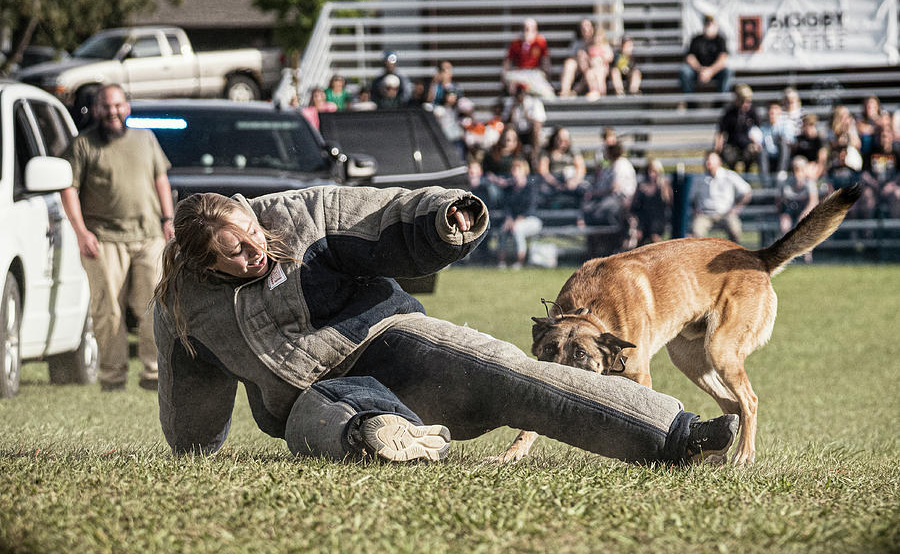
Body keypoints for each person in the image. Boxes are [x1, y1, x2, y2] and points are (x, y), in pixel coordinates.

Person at [152, 184, 739, 464]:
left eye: (251, 234)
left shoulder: (300, 216)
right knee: (323, 421)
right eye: (235, 253)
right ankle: (384, 436)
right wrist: (193, 451)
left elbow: (379, 214)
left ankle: (676, 434)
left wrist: (439, 218)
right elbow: (187, 393)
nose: (255, 250)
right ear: (204, 263)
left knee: (510, 373)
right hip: (307, 396)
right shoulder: (186, 306)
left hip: (391, 339)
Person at [60, 83, 175, 392]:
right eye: (106, 106)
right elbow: (68, 189)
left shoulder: (145, 138)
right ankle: (112, 378)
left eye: (117, 105)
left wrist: (168, 220)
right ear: (96, 109)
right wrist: (81, 232)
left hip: (149, 236)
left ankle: (154, 374)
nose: (112, 111)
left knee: (154, 306)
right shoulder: (83, 145)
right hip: (103, 239)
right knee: (107, 310)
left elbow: (161, 179)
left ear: (127, 107)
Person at [690, 150, 752, 242]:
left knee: (735, 230)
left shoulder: (730, 176)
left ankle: (734, 251)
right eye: (706, 160)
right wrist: (694, 209)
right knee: (695, 234)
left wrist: (737, 208)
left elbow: (747, 192)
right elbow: (690, 198)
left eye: (711, 160)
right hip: (705, 214)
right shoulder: (699, 179)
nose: (708, 163)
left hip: (725, 213)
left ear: (719, 162)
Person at [496, 158, 543, 269]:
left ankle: (519, 262)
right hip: (514, 220)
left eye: (518, 170)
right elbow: (506, 207)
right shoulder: (509, 189)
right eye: (514, 170)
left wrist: (516, 221)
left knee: (517, 229)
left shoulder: (531, 187)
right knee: (503, 230)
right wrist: (508, 219)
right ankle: (501, 262)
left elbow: (530, 209)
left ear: (524, 171)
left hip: (531, 220)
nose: (515, 173)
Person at [582, 142, 636, 230]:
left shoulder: (620, 165)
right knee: (588, 208)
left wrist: (596, 193)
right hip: (611, 197)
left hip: (621, 199)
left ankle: (612, 233)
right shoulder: (612, 165)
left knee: (599, 211)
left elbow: (614, 188)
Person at [502, 18, 555, 100]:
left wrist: (546, 75)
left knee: (549, 95)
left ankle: (527, 89)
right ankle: (524, 89)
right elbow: (507, 63)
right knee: (511, 79)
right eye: (526, 29)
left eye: (532, 29)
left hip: (534, 74)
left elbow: (545, 62)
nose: (528, 32)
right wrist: (505, 77)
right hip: (520, 74)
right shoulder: (516, 43)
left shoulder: (540, 42)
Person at [536, 126, 588, 209]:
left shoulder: (573, 150)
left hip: (571, 179)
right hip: (553, 180)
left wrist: (574, 181)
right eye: (560, 140)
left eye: (565, 140)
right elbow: (543, 171)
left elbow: (581, 168)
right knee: (542, 190)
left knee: (585, 189)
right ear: (554, 138)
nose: (562, 143)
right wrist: (556, 184)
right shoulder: (546, 151)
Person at [714, 83, 762, 172]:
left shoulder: (752, 112)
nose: (746, 104)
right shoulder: (729, 112)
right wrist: (717, 147)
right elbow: (721, 131)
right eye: (743, 101)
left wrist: (757, 143)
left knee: (752, 153)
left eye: (748, 101)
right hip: (733, 145)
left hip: (748, 145)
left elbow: (760, 129)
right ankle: (733, 173)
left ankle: (747, 174)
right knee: (728, 154)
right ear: (737, 100)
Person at [680, 14, 732, 95]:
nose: (709, 26)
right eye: (707, 24)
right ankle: (690, 100)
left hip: (715, 71)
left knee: (727, 71)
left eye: (711, 24)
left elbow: (722, 59)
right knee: (685, 71)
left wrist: (710, 71)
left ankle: (722, 100)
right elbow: (690, 57)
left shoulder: (720, 40)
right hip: (698, 71)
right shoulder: (696, 39)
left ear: (716, 25)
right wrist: (700, 70)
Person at [627, 158, 673, 248]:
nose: (651, 174)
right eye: (649, 171)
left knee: (654, 236)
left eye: (654, 171)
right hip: (643, 220)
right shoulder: (641, 187)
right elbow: (634, 207)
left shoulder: (664, 186)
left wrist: (663, 188)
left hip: (658, 221)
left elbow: (669, 203)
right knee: (637, 236)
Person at [558, 18, 605, 99]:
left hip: (594, 70)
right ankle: (565, 91)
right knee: (570, 64)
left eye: (588, 26)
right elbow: (571, 57)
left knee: (592, 68)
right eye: (583, 27)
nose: (585, 29)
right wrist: (579, 57)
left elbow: (606, 56)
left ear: (592, 28)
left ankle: (595, 91)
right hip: (580, 70)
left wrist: (590, 59)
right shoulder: (577, 43)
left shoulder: (598, 41)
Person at [503, 83, 546, 168]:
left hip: (531, 133)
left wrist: (526, 114)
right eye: (518, 92)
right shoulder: (510, 103)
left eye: (522, 92)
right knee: (509, 130)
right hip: (517, 132)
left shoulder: (534, 102)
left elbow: (539, 122)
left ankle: (535, 154)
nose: (520, 95)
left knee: (536, 129)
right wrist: (513, 109)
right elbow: (505, 121)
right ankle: (509, 157)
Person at [777, 156, 819, 241]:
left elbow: (813, 202)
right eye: (795, 169)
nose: (797, 172)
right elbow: (779, 201)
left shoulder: (809, 183)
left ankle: (803, 249)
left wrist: (804, 214)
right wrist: (783, 214)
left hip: (804, 208)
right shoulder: (785, 181)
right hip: (790, 208)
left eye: (800, 169)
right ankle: (787, 247)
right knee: (785, 225)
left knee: (803, 224)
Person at [757, 101, 795, 186]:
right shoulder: (763, 128)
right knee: (761, 151)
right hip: (768, 156)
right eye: (770, 112)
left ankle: (781, 173)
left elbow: (791, 142)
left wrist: (783, 139)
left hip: (781, 157)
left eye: (774, 112)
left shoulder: (785, 125)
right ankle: (766, 181)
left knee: (783, 144)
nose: (772, 115)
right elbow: (760, 142)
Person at [792, 114, 829, 179]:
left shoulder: (820, 140)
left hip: (814, 166)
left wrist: (816, 175)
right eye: (805, 125)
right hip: (802, 165)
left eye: (810, 125)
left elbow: (822, 161)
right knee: (798, 163)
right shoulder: (800, 138)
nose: (806, 128)